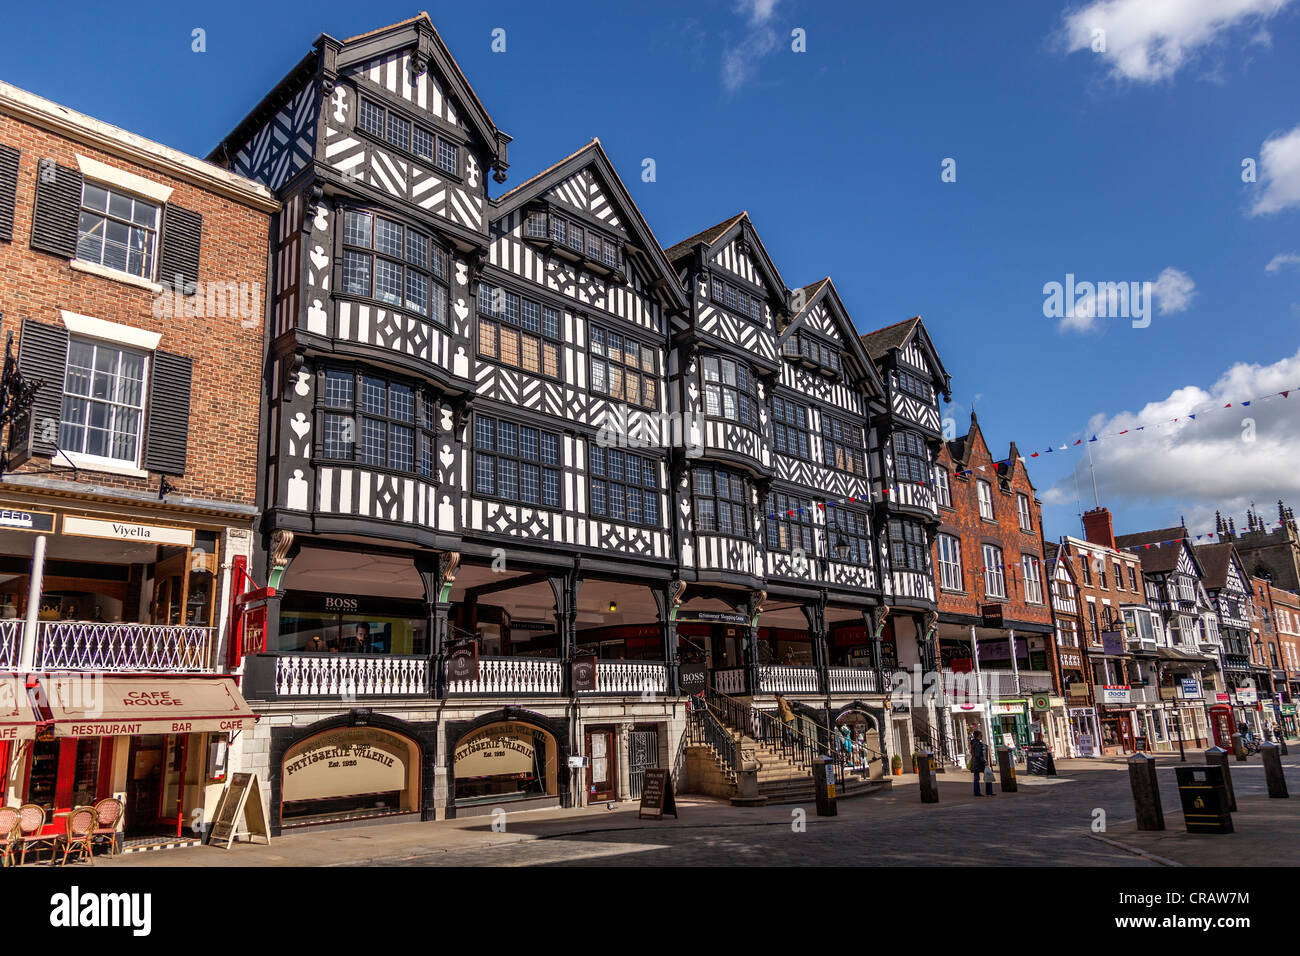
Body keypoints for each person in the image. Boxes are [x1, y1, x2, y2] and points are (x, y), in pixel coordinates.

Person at [969, 730, 987, 796]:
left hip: (975, 762)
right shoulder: (976, 744)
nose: (981, 737)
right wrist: (984, 761)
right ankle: (977, 792)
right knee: (977, 778)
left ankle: (977, 792)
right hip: (977, 763)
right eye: (981, 736)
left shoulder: (974, 743)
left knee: (976, 777)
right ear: (977, 736)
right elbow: (978, 754)